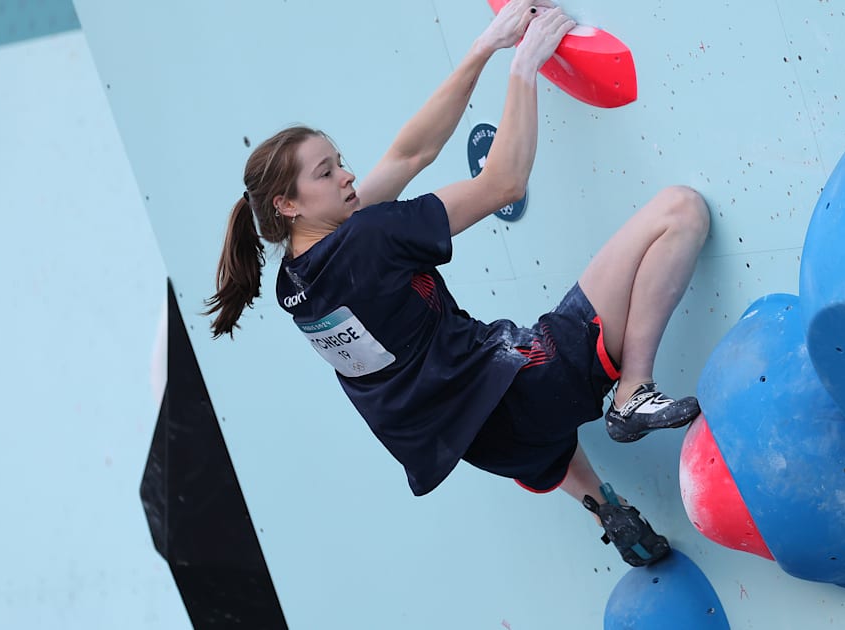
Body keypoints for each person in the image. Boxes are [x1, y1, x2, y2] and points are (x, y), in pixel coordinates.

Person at [205, 0, 710, 567]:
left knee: (535, 432)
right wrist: (524, 64)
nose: (347, 174)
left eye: (340, 161)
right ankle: (632, 391)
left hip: (486, 446)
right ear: (288, 203)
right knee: (680, 212)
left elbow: (409, 152)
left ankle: (603, 506)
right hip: (532, 387)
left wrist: (481, 47)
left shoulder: (298, 284)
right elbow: (503, 182)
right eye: (327, 172)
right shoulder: (368, 237)